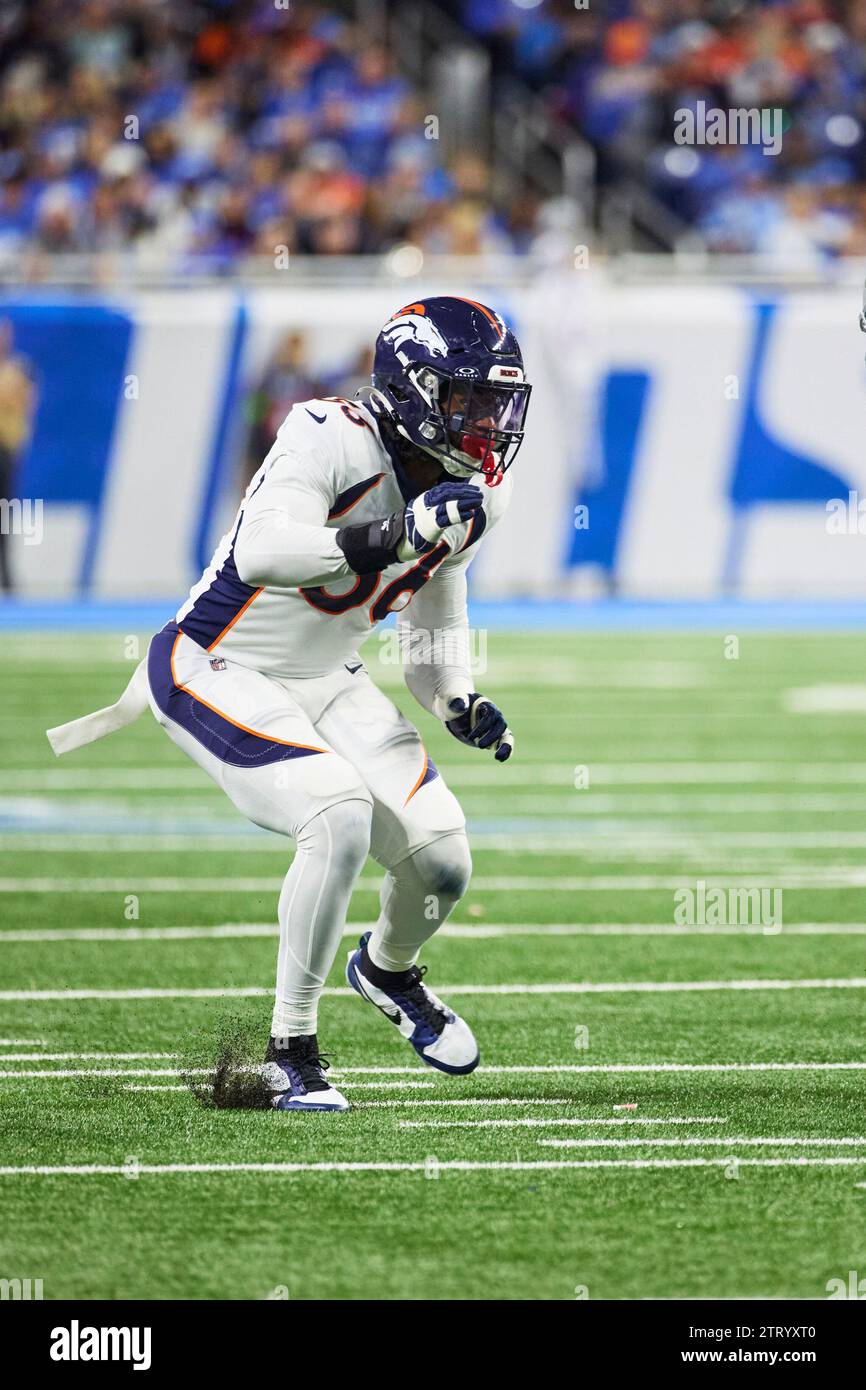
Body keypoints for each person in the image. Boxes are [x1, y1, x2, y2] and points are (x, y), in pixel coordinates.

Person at [47, 296, 532, 1113]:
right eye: (466, 399)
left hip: (323, 672)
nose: (485, 421)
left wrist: (456, 696)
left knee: (443, 860)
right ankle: (289, 1052)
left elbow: (434, 600)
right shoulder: (329, 434)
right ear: (412, 388)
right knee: (337, 814)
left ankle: (386, 970)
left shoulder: (477, 491)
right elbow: (265, 551)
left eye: (496, 402)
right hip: (213, 660)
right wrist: (399, 534)